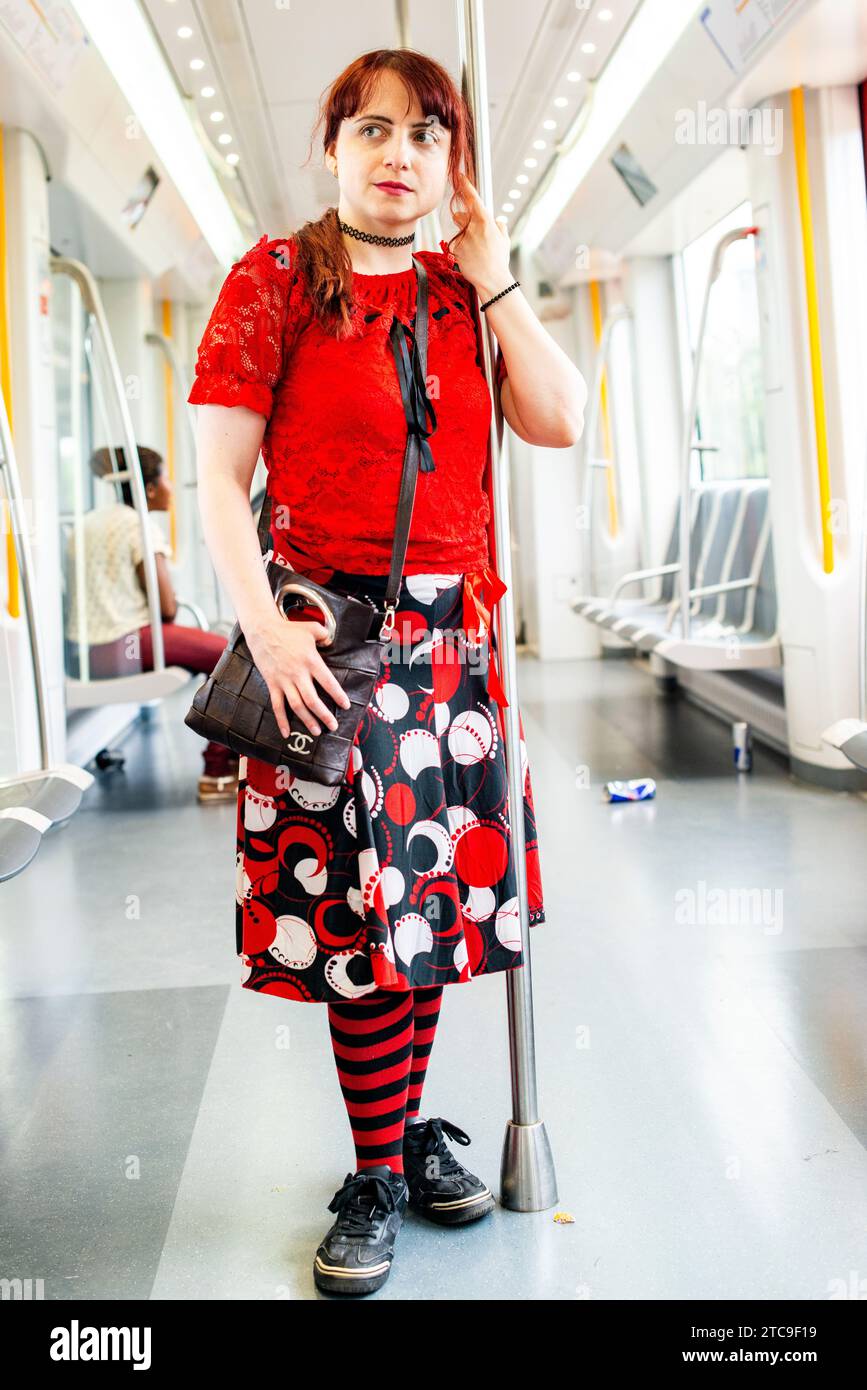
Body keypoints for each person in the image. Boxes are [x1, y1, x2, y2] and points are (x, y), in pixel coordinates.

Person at [189, 48, 586, 1296]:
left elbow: (564, 417)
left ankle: (399, 1134)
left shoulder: (465, 298)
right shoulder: (273, 283)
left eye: (425, 134)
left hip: (455, 652)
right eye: (372, 129)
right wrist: (265, 628)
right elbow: (214, 478)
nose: (398, 153)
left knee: (424, 914)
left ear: (451, 163)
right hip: (328, 644)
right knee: (358, 921)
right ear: (333, 149)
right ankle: (377, 1169)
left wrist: (496, 272)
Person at [63, 445, 239, 802]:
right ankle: (218, 771)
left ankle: (222, 766)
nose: (172, 487)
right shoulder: (137, 524)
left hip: (89, 652)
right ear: (151, 489)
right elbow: (167, 608)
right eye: (166, 478)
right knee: (231, 654)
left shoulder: (89, 521)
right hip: (125, 645)